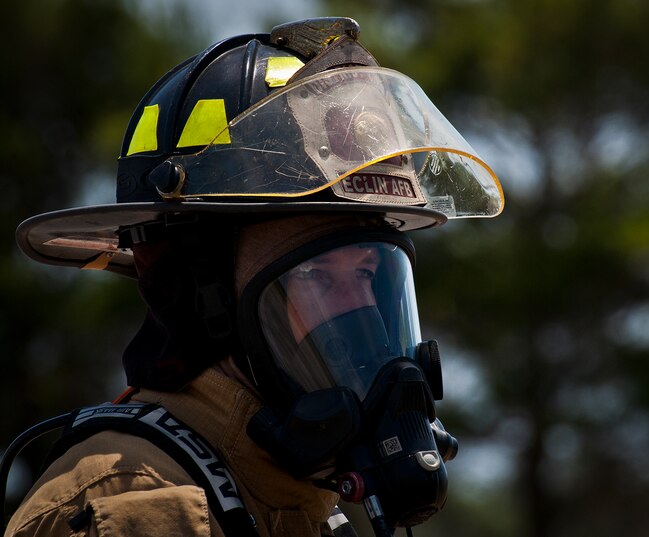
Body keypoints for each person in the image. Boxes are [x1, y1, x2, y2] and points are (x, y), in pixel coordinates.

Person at [4, 17, 503, 537]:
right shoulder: (139, 505)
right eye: (318, 277)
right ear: (206, 294)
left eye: (369, 275)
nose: (364, 313)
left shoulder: (298, 500)